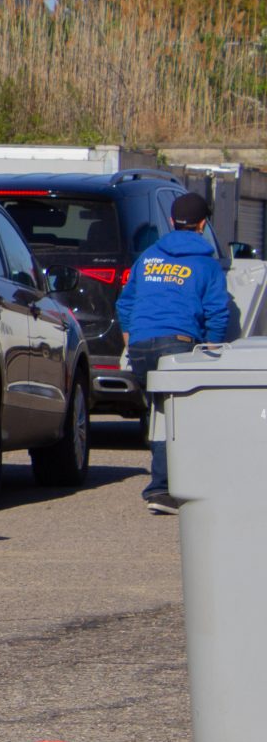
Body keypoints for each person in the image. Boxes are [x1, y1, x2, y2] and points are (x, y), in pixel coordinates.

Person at [118, 191, 228, 515]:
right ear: (203, 224)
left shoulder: (149, 256)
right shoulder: (206, 264)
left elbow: (125, 303)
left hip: (140, 345)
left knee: (161, 416)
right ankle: (166, 488)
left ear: (171, 222)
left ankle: (164, 486)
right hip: (178, 345)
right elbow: (218, 313)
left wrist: (131, 340)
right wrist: (212, 350)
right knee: (180, 418)